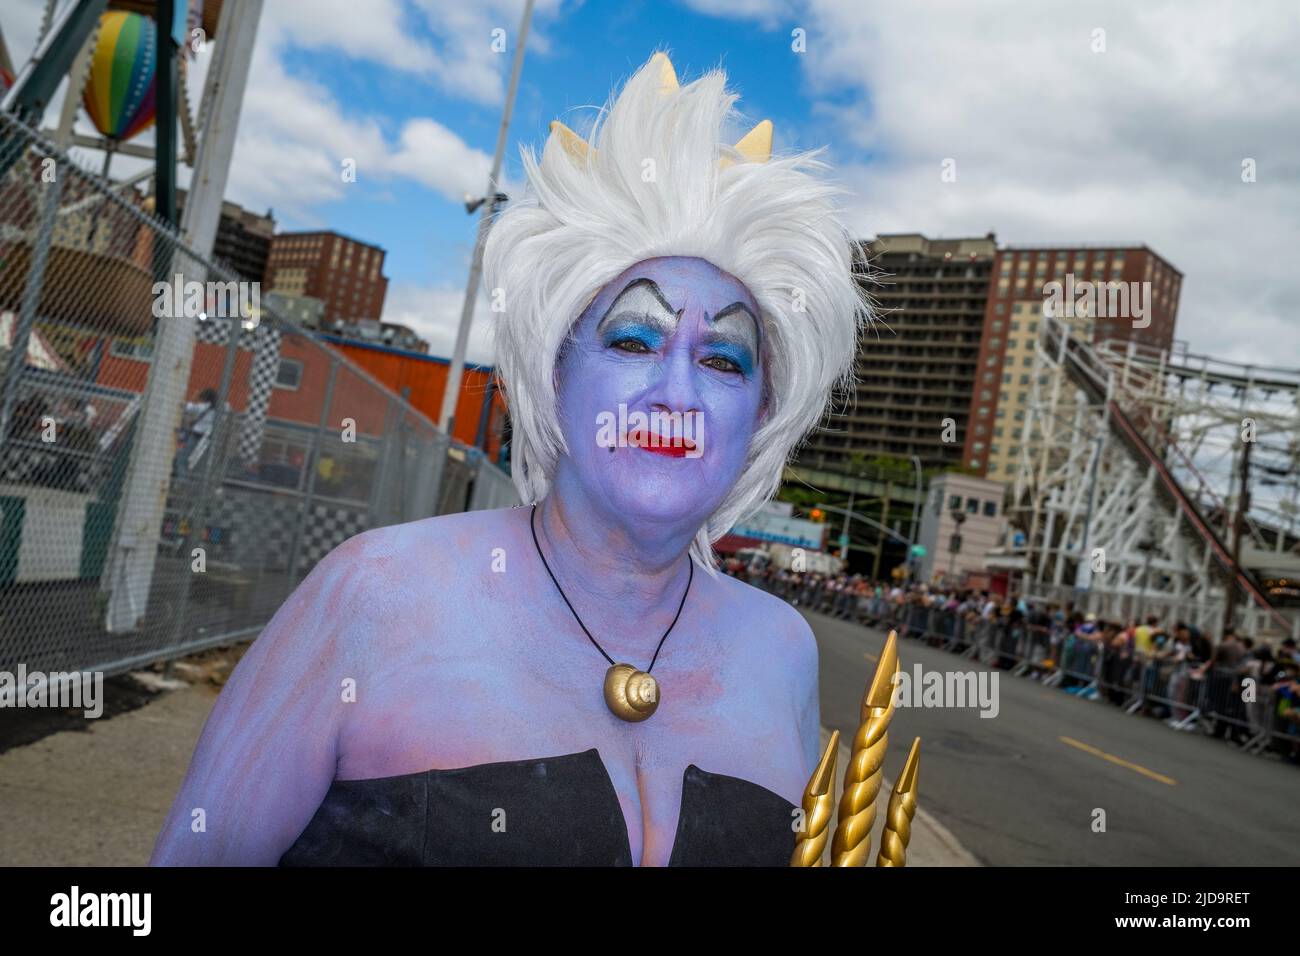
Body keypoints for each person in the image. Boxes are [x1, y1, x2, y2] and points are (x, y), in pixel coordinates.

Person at [151, 52, 868, 867]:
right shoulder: (374, 597)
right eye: (633, 340)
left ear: (763, 411)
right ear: (554, 372)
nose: (677, 394)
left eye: (724, 360)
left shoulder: (784, 651)